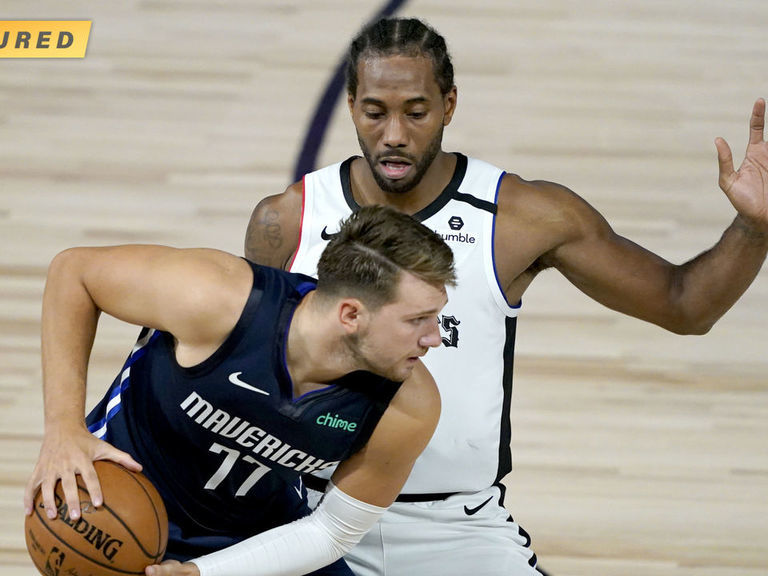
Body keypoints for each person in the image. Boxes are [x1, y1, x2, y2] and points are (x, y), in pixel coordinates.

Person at [243, 16, 768, 576]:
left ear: (449, 105)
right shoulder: (287, 220)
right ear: (350, 106)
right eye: (375, 112)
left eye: (416, 112)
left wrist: (754, 227)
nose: (393, 134)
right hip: (305, 511)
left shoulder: (525, 216)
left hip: (457, 531)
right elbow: (235, 374)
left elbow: (685, 305)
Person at [24, 205, 457, 576]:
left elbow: (332, 531)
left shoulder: (408, 406)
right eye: (417, 319)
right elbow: (74, 272)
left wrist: (200, 572)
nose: (434, 337)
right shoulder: (216, 298)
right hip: (121, 506)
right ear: (351, 315)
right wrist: (63, 429)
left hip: (259, 536)